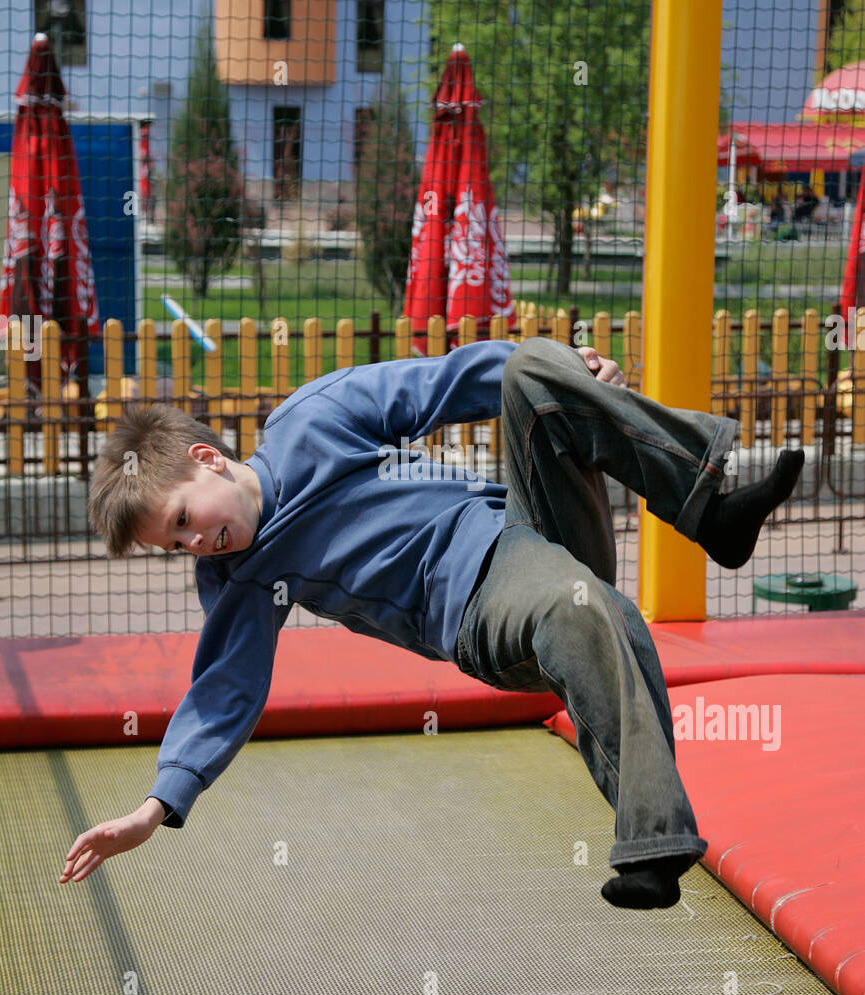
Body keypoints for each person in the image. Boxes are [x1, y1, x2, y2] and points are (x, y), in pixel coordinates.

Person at [60, 338, 805, 911]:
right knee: (588, 611)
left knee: (532, 368)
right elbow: (226, 689)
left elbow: (441, 382)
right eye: (175, 546)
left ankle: (708, 506)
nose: (194, 544)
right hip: (482, 604)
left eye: (185, 520)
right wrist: (158, 806)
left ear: (208, 461)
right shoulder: (241, 575)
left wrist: (573, 374)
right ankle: (652, 843)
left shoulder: (310, 420)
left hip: (529, 525)